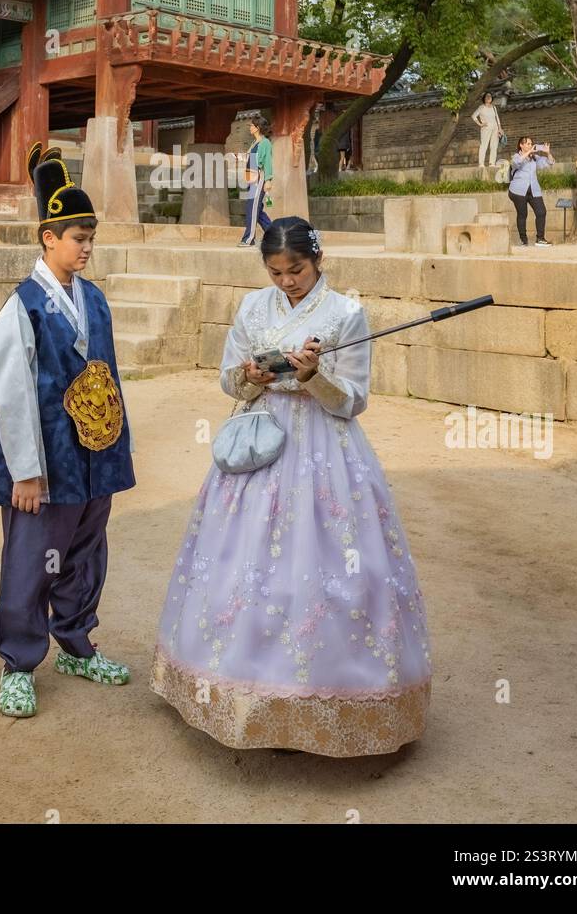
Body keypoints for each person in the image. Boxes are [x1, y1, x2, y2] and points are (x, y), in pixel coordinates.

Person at [150, 216, 432, 757]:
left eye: (296, 270)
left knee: (327, 565)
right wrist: (250, 377)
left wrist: (313, 377)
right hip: (260, 443)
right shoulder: (254, 307)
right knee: (246, 566)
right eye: (276, 272)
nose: (287, 282)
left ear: (317, 260)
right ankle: (243, 690)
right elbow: (228, 374)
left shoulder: (347, 315)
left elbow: (352, 400)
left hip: (326, 449)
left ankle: (333, 694)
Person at [0, 143, 135, 718]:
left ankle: (76, 643)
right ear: (48, 238)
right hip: (44, 463)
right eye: (79, 238)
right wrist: (25, 471)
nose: (88, 248)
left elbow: (105, 375)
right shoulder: (21, 307)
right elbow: (11, 393)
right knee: (32, 557)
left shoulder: (93, 298)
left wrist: (113, 446)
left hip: (94, 456)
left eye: (91, 238)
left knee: (85, 551)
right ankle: (18, 663)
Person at [508, 136, 553, 247]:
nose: (530, 145)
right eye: (527, 143)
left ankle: (540, 239)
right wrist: (528, 153)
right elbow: (516, 163)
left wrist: (548, 153)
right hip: (518, 191)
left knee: (541, 212)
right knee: (522, 214)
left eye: (530, 143)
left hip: (534, 189)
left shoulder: (535, 157)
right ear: (521, 145)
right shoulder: (516, 156)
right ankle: (523, 240)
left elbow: (549, 163)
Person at [238, 113, 273, 247]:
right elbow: (250, 158)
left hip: (259, 178)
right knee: (257, 211)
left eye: (252, 125)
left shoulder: (265, 143)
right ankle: (275, 234)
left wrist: (269, 180)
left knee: (252, 208)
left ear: (257, 127)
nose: (250, 127)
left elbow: (268, 162)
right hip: (251, 178)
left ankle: (249, 238)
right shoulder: (254, 143)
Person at [471, 92, 503, 168]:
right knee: (484, 146)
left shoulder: (494, 107)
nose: (489, 97)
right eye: (487, 96)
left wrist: (500, 128)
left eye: (490, 96)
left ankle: (492, 163)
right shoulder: (481, 107)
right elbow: (473, 116)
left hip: (495, 128)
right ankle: (481, 163)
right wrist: (480, 124)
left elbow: (497, 119)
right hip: (486, 128)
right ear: (484, 98)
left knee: (494, 146)